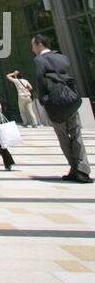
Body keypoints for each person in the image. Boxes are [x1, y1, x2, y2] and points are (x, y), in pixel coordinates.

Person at [31, 35, 92, 183]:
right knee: (76, 134)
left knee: (63, 136)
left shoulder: (39, 60)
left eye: (33, 45)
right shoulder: (63, 58)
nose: (32, 49)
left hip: (55, 101)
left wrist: (43, 99)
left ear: (39, 45)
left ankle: (74, 169)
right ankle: (82, 170)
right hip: (70, 99)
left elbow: (40, 80)